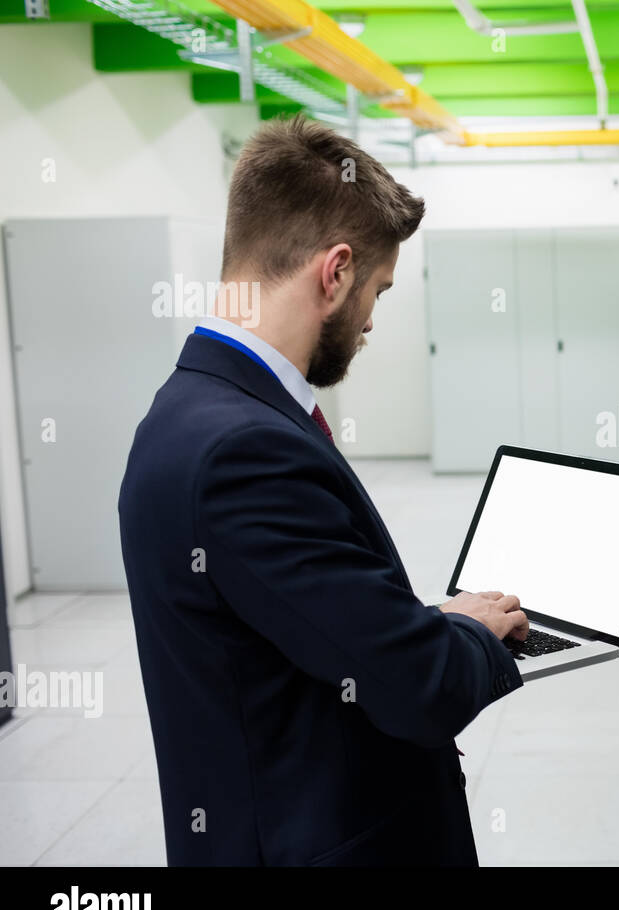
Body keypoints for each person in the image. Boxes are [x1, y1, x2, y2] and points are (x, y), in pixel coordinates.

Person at [118, 115, 528, 866]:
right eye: (377, 287)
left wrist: (415, 621)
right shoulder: (245, 450)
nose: (372, 318)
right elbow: (419, 690)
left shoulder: (188, 409)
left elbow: (289, 624)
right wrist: (467, 636)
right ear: (334, 272)